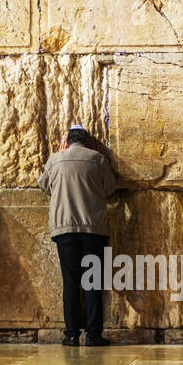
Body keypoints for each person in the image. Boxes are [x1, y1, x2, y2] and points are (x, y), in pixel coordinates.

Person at [39, 125, 118, 347]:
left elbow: (43, 185)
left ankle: (71, 334)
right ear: (89, 142)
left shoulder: (55, 160)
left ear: (67, 141)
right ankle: (94, 335)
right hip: (93, 230)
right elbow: (110, 188)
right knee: (93, 282)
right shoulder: (98, 159)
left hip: (64, 229)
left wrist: (60, 156)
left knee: (70, 282)